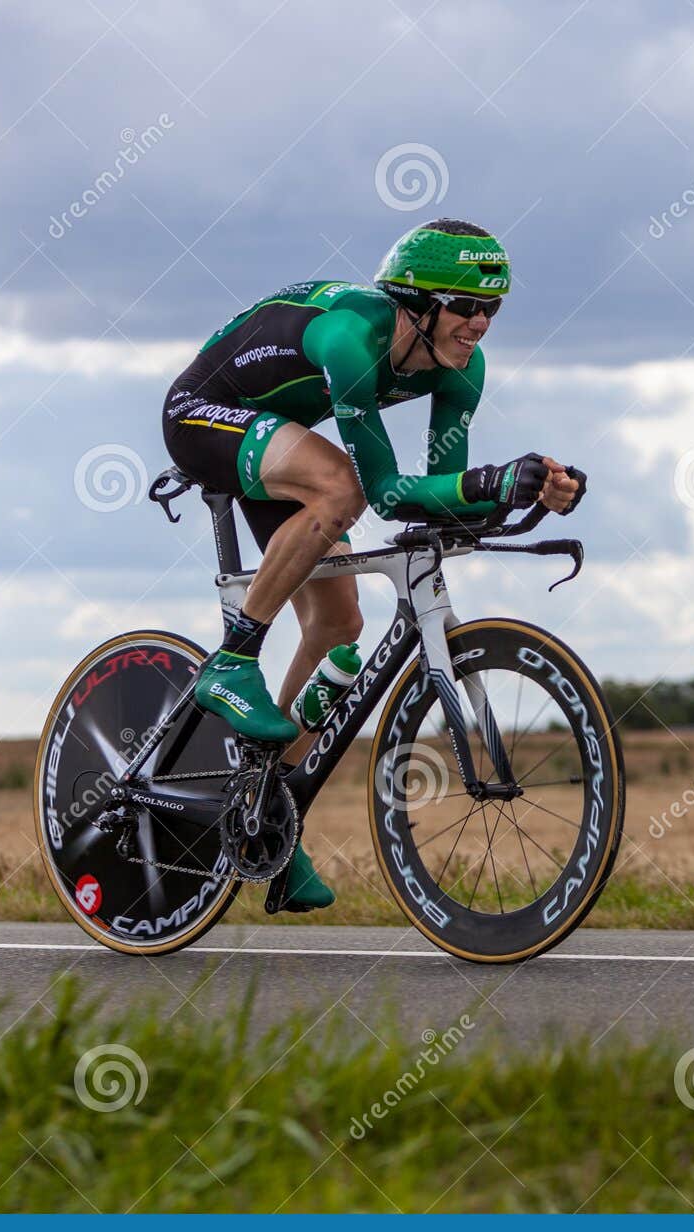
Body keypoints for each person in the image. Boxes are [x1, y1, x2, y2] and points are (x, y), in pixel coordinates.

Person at [160, 218, 585, 911]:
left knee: (339, 621)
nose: (480, 323)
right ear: (416, 304)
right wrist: (492, 481)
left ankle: (263, 810)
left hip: (274, 441)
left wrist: (527, 488)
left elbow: (438, 502)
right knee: (343, 487)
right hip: (204, 415)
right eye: (464, 305)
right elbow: (386, 492)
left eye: (493, 308)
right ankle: (233, 661)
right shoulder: (353, 339)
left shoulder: (459, 369)